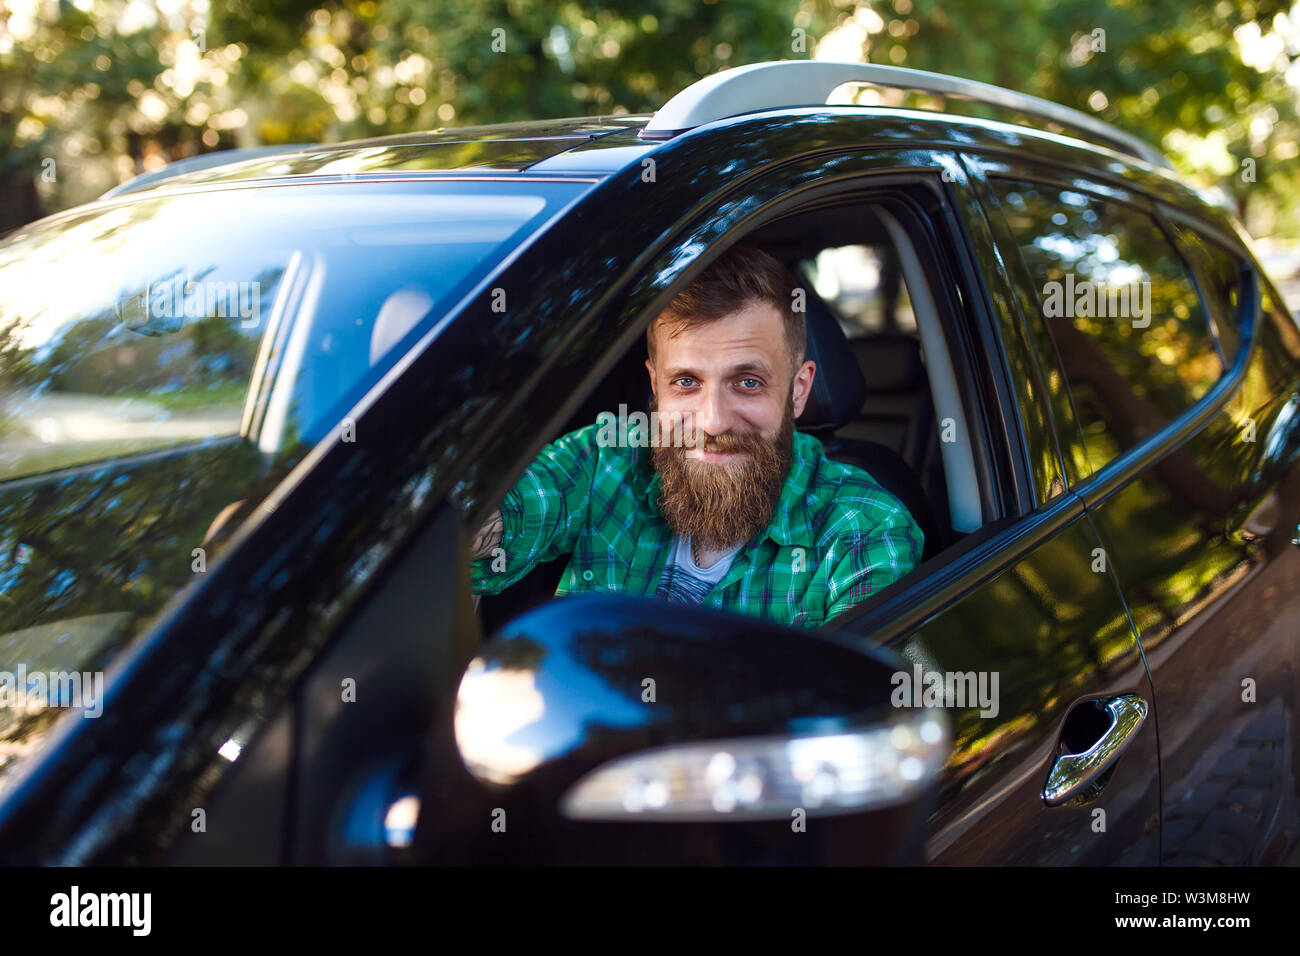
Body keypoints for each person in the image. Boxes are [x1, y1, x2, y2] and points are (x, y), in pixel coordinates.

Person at [469, 244, 923, 628]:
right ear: (655, 387)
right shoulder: (608, 457)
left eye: (747, 382)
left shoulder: (862, 531)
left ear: (797, 390)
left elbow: (847, 715)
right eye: (686, 382)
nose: (712, 422)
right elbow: (507, 510)